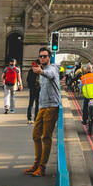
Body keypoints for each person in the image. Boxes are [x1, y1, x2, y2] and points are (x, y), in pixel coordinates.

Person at [25, 46, 61, 176]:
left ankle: (42, 167)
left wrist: (40, 72)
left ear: (49, 57)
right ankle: (36, 163)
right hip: (42, 106)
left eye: (45, 56)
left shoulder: (52, 69)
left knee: (46, 137)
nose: (42, 58)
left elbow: (50, 74)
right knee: (35, 135)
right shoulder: (42, 70)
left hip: (52, 107)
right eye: (40, 56)